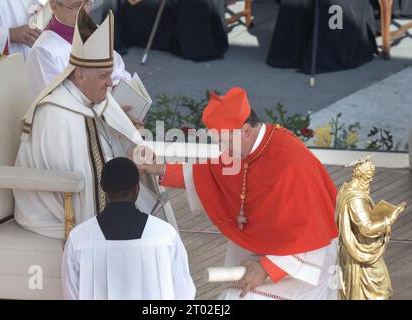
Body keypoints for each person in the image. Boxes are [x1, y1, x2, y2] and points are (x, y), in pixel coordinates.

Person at [139, 87, 339, 300]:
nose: (222, 149)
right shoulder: (244, 149)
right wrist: (161, 168)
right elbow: (208, 177)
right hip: (265, 245)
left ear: (246, 130)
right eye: (219, 142)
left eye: (225, 141)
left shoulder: (292, 164)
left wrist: (266, 269)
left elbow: (312, 232)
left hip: (302, 264)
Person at [14, 8, 176, 239]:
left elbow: (116, 143)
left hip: (96, 189)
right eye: (103, 77)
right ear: (79, 75)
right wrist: (125, 167)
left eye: (109, 75)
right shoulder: (56, 114)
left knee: (160, 229)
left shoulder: (94, 96)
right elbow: (76, 176)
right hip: (60, 209)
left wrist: (136, 153)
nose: (110, 84)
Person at [62, 157, 195, 300]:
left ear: (102, 187)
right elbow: (184, 292)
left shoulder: (79, 238)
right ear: (136, 189)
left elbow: (71, 293)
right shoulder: (165, 235)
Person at [26, 0, 131, 99]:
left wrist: (120, 94)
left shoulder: (95, 31)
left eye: (87, 2)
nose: (84, 11)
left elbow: (118, 71)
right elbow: (57, 102)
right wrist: (111, 106)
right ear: (54, 5)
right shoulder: (43, 51)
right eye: (76, 5)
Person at [336, 158, 404, 300]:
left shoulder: (345, 189)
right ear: (361, 177)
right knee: (381, 290)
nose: (371, 180)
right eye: (369, 177)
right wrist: (388, 220)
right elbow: (366, 228)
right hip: (360, 254)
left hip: (355, 250)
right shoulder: (355, 199)